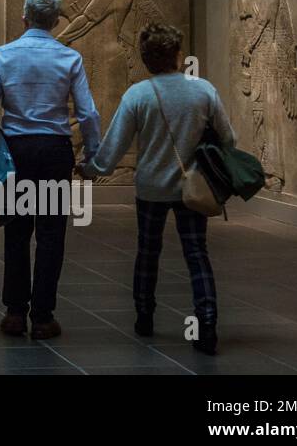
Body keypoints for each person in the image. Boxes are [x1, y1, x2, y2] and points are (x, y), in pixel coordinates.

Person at [80, 23, 236, 356]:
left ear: (147, 58)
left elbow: (115, 146)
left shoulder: (138, 95)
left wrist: (93, 169)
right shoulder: (203, 89)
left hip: (151, 186)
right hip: (193, 186)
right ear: (178, 55)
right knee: (197, 254)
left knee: (148, 253)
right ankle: (207, 324)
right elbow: (229, 138)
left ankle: (144, 315)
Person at [0, 0, 101, 340]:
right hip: (53, 152)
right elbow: (87, 113)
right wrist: (92, 155)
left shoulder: (3, 56)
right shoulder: (69, 58)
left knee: (17, 232)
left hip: (15, 151)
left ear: (24, 18)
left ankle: (15, 312)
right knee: (51, 234)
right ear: (56, 22)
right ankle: (44, 315)